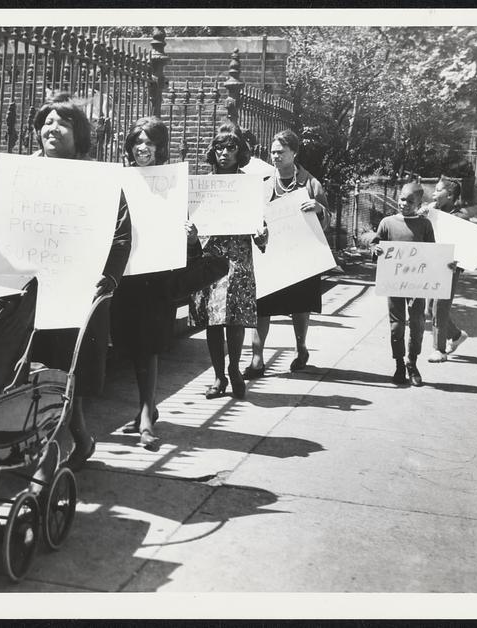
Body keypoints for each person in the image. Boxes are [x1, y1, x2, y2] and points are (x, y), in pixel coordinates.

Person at [110, 117, 228, 451]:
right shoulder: (120, 180)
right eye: (137, 142)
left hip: (157, 275)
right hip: (126, 273)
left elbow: (191, 238)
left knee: (148, 344)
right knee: (128, 342)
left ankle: (146, 414)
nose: (142, 148)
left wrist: (191, 239)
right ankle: (149, 408)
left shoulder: (174, 184)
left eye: (149, 143)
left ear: (160, 147)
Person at [30, 93, 132, 471]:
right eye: (47, 122)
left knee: (67, 367)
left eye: (64, 122)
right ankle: (81, 437)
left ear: (80, 133)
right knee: (37, 367)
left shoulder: (97, 179)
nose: (53, 128)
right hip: (32, 288)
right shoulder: (22, 174)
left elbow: (122, 235)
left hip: (78, 291)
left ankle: (48, 458)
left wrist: (109, 279)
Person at [243, 129, 331, 379]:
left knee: (300, 305)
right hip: (270, 254)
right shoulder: (264, 182)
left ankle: (301, 348)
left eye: (280, 152)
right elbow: (253, 216)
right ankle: (257, 359)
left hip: (301, 255)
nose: (275, 156)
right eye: (272, 152)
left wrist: (319, 209)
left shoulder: (311, 183)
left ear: (294, 153)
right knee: (262, 306)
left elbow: (326, 223)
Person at [190, 124, 268, 399]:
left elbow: (261, 227)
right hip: (210, 256)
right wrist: (191, 233)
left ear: (240, 152)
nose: (224, 153)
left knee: (234, 318)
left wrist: (261, 232)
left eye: (230, 148)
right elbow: (192, 221)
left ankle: (234, 368)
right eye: (219, 148)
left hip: (238, 257)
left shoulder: (248, 185)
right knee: (213, 319)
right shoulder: (202, 184)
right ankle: (218, 376)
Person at [371, 181, 437, 387]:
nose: (404, 203)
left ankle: (412, 363)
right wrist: (375, 249)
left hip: (417, 284)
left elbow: (433, 253)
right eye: (402, 198)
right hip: (394, 282)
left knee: (417, 323)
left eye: (410, 201)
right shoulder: (387, 222)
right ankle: (399, 363)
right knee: (397, 325)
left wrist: (446, 265)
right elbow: (375, 242)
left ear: (419, 203)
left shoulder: (424, 225)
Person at [425, 176, 469, 362]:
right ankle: (457, 335)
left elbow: (469, 247)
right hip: (434, 263)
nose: (433, 193)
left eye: (437, 190)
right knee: (430, 308)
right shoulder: (433, 210)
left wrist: (459, 262)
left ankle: (439, 349)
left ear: (449, 195)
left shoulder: (460, 217)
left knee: (440, 306)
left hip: (450, 267)